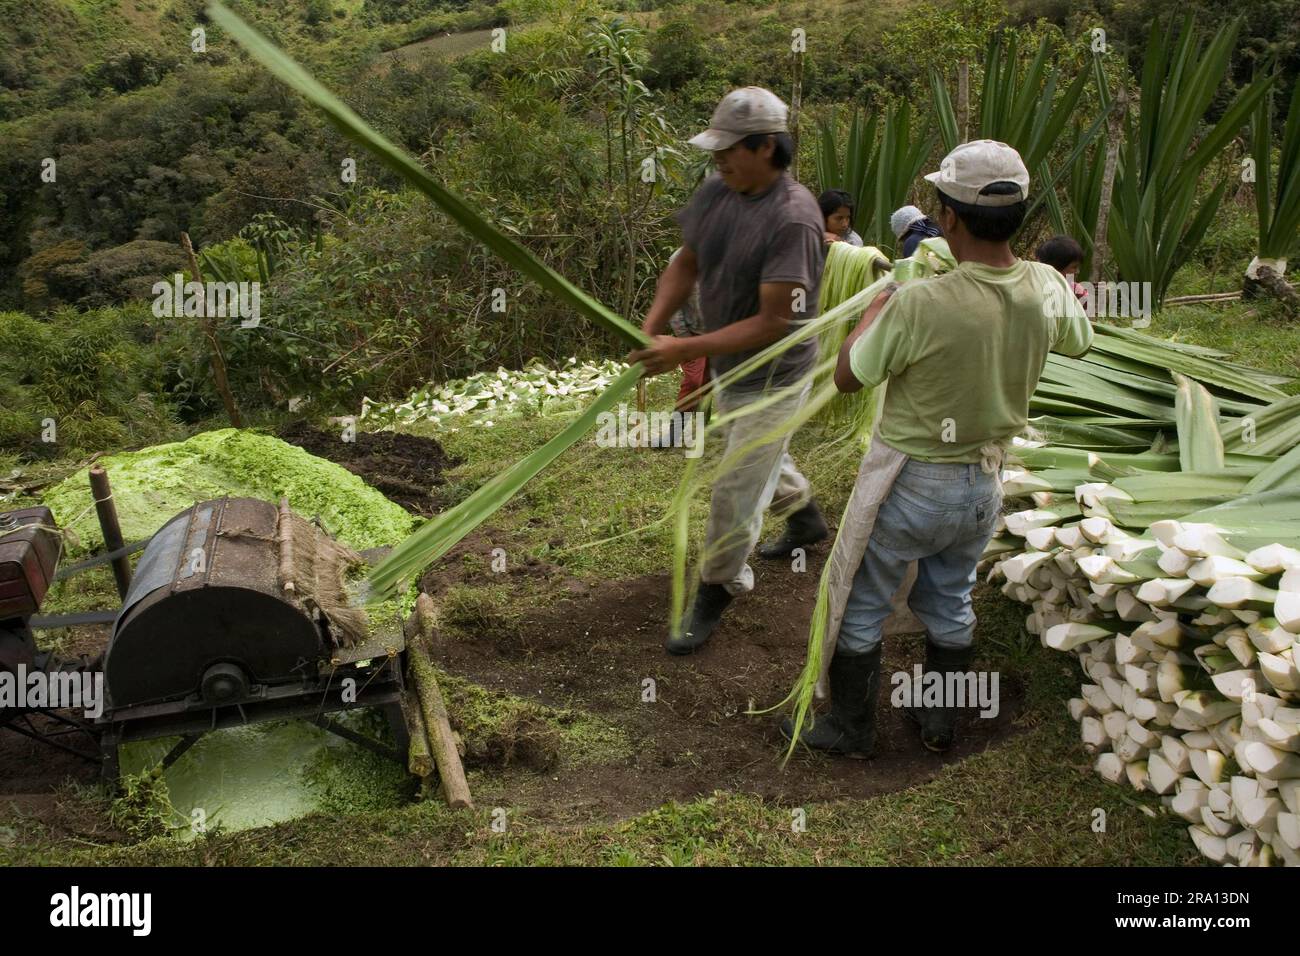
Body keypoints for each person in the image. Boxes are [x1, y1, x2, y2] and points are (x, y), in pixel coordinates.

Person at [782, 140, 1093, 756]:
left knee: (863, 603)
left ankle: (850, 728)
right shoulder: (1047, 287)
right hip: (984, 484)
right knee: (949, 601)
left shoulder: (918, 301)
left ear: (947, 218)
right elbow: (1080, 339)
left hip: (910, 483)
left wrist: (874, 310)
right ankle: (940, 720)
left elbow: (849, 377)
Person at [628, 86, 830, 656]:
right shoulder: (720, 189)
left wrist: (684, 348)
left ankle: (717, 587)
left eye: (729, 148)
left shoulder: (795, 220)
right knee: (760, 457)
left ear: (767, 146)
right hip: (730, 365)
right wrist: (652, 328)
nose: (717, 159)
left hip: (775, 375)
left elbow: (774, 323)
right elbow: (686, 261)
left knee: (735, 488)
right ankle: (806, 516)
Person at [1036, 234, 1090, 309]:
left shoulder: (1077, 292)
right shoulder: (1035, 290)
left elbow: (1088, 318)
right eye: (1074, 267)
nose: (1078, 272)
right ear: (1055, 267)